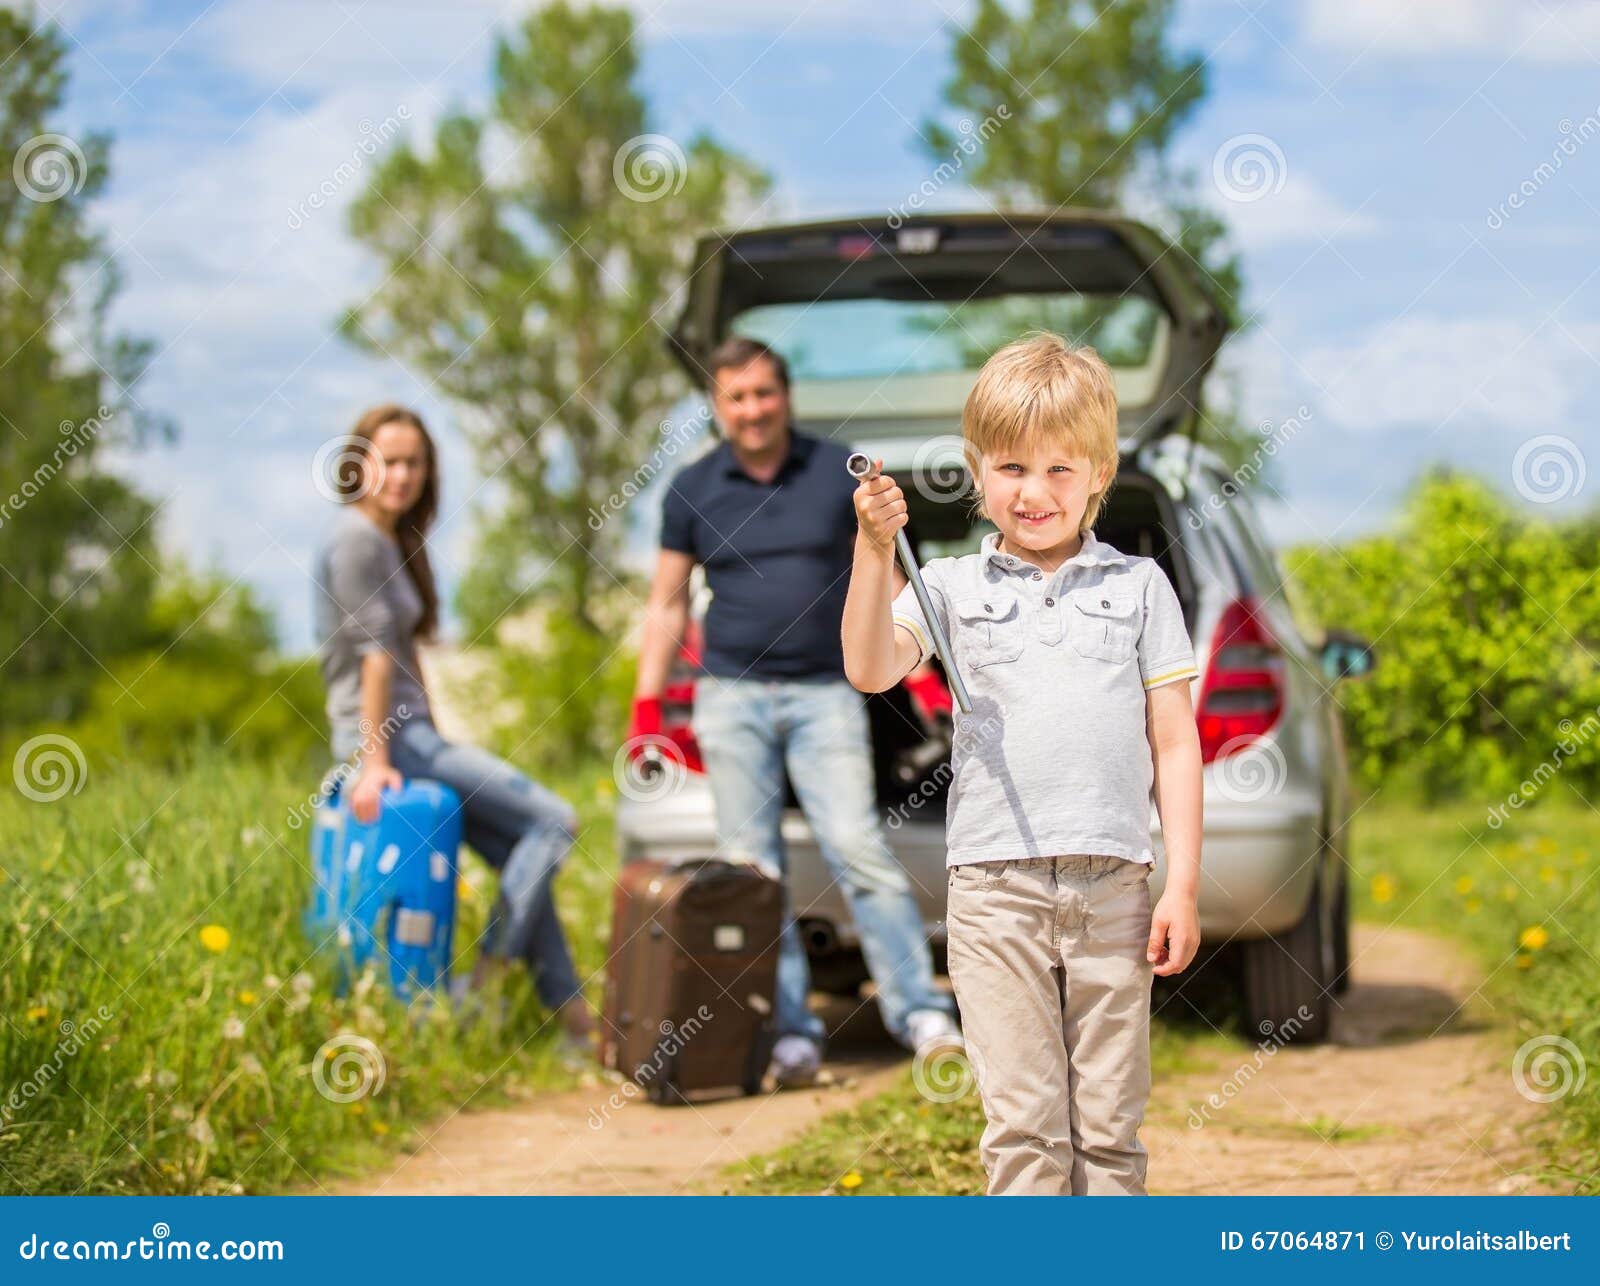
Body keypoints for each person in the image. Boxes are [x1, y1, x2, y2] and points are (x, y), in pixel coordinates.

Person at [841, 333, 1204, 1195]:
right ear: (976, 471)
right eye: (1010, 469)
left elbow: (1175, 740)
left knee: (1110, 1127)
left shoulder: (1141, 587)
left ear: (1099, 474)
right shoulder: (952, 587)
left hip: (1114, 886)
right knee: (1025, 1129)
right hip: (992, 892)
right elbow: (867, 667)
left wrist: (1182, 883)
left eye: (1058, 471)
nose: (1033, 493)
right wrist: (870, 549)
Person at [631, 337, 961, 1088]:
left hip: (826, 694)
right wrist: (648, 706)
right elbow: (667, 604)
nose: (751, 409)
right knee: (753, 871)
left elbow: (888, 578)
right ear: (717, 405)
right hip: (731, 698)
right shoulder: (690, 489)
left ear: (785, 396)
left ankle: (920, 1014)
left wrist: (924, 672)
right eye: (736, 397)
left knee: (857, 847)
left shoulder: (834, 472)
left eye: (763, 393)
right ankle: (788, 1033)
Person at [313, 403, 597, 1055]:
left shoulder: (388, 540)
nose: (402, 474)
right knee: (555, 821)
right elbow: (373, 658)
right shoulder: (355, 539)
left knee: (522, 853)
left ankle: (577, 1028)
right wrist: (375, 759)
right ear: (360, 462)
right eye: (388, 459)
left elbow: (402, 659)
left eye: (415, 462)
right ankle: (489, 978)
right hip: (396, 742)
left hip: (413, 735)